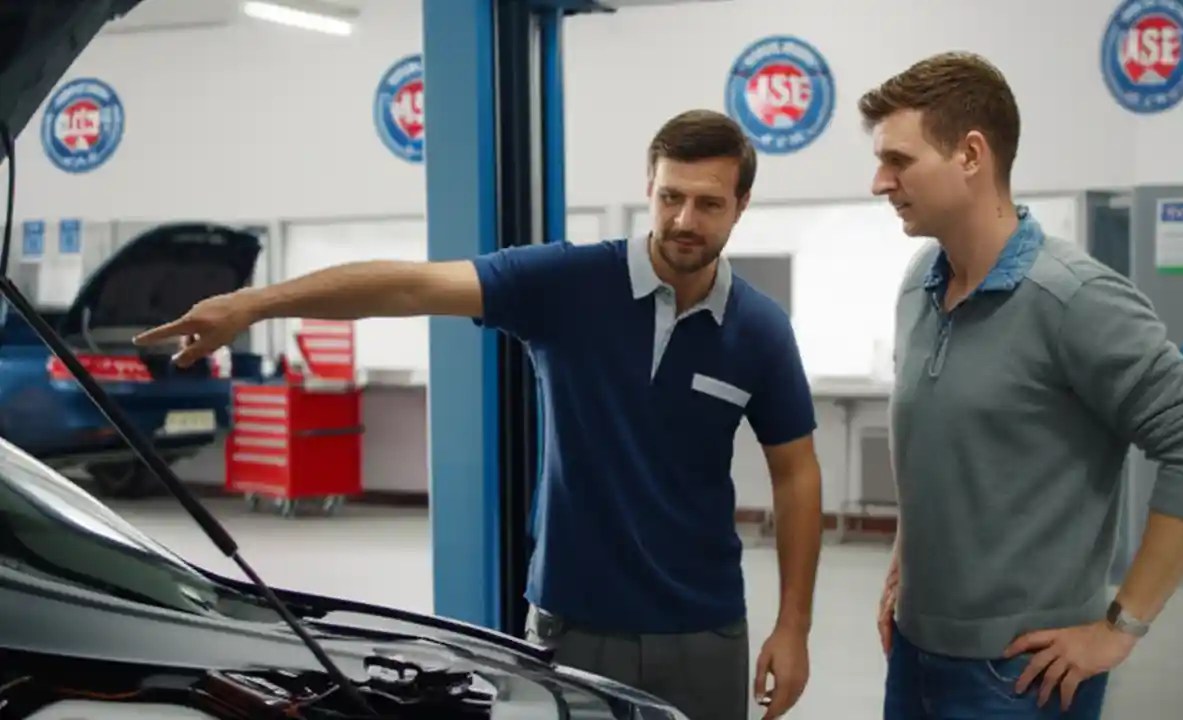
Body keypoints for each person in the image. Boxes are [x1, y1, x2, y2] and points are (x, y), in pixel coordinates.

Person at [133, 109, 823, 720]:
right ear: (649, 187)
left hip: (705, 631)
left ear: (741, 205)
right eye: (670, 196)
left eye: (708, 203)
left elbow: (796, 474)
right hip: (574, 628)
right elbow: (410, 287)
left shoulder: (760, 329)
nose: (684, 220)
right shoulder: (568, 284)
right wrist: (253, 304)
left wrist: (793, 627)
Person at [856, 52, 1183, 718]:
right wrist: (905, 559)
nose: (878, 182)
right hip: (913, 651)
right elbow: (941, 444)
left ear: (970, 155)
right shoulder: (921, 281)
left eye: (898, 160)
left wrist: (1120, 627)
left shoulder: (1074, 299)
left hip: (1018, 676)